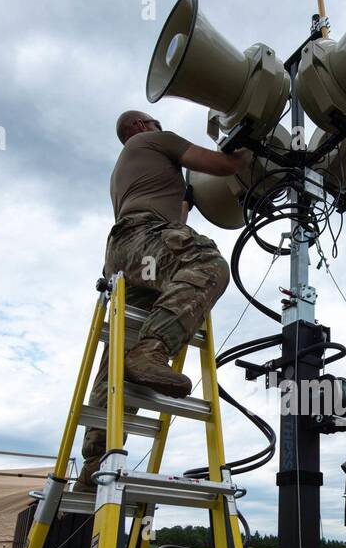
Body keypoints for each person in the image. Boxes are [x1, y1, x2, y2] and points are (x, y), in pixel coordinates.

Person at [78, 110, 251, 484]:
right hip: (144, 236)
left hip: (125, 258)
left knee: (118, 359)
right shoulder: (155, 140)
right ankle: (153, 349)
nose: (159, 124)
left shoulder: (129, 167)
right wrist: (252, 149)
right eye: (153, 121)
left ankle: (94, 461)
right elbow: (223, 165)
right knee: (208, 265)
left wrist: (185, 201)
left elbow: (177, 219)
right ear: (140, 126)